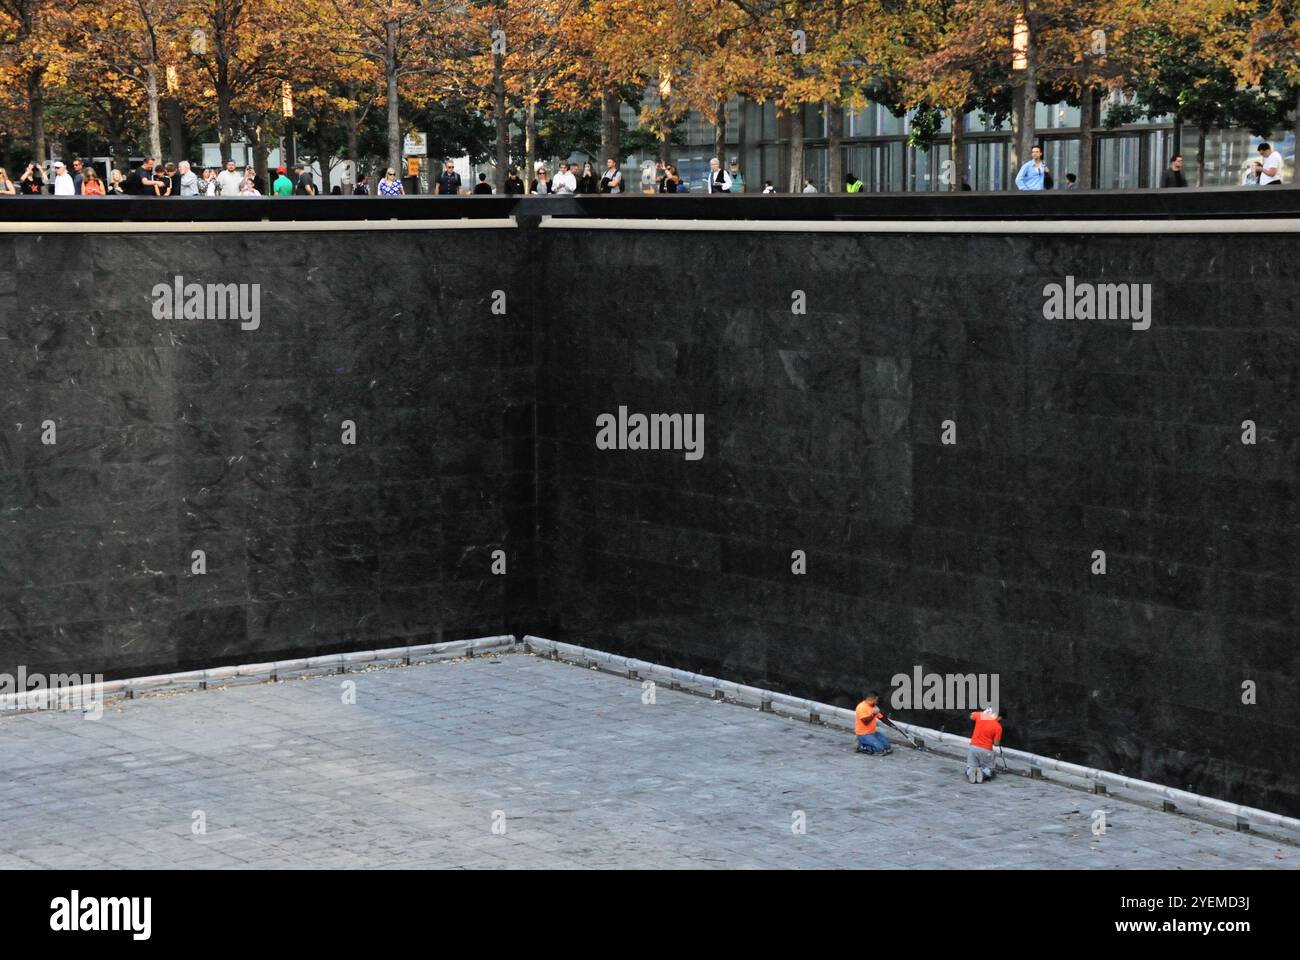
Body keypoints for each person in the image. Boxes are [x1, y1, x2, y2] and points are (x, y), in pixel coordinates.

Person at [965, 706, 1006, 783]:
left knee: (971, 766)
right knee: (989, 768)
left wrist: (983, 713)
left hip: (973, 747)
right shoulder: (998, 727)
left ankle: (970, 771)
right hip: (986, 750)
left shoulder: (981, 715)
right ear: (999, 717)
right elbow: (996, 744)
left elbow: (971, 716)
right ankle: (983, 773)